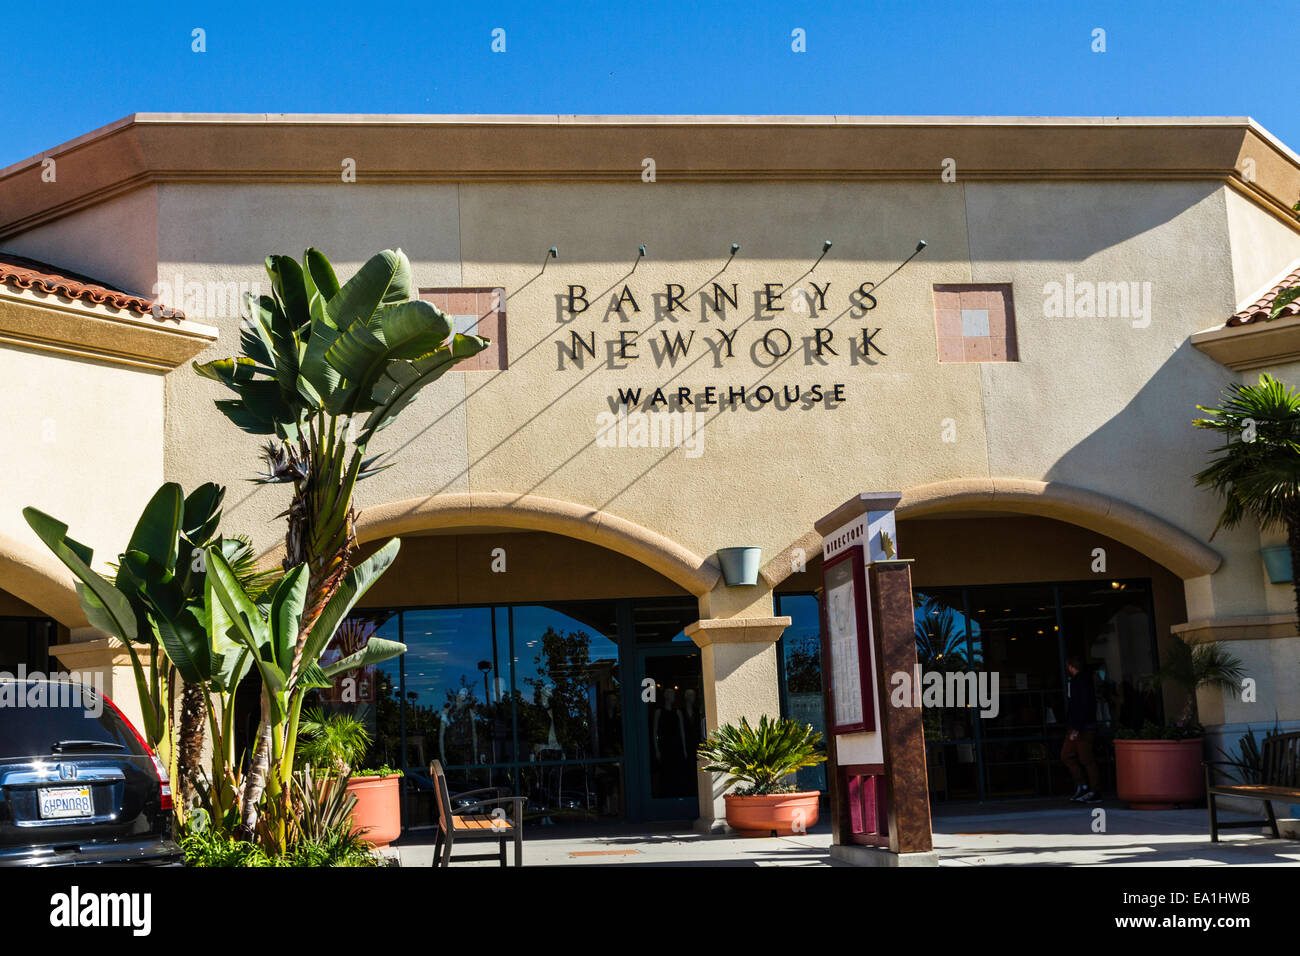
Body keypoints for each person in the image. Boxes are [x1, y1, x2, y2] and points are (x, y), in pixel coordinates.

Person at [1062, 656, 1101, 803]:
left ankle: (1094, 790)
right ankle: (1083, 786)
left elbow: (1082, 705)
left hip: (1082, 728)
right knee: (1068, 755)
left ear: (1071, 666)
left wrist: (1076, 728)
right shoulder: (1082, 681)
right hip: (1078, 726)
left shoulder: (1079, 682)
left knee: (1086, 759)